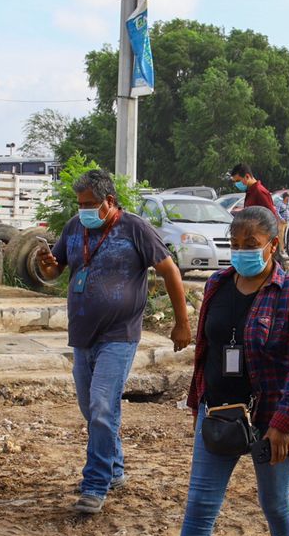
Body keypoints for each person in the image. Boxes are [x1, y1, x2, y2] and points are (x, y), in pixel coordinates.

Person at [136, 206, 289, 536]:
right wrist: (198, 403)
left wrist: (283, 422)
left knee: (274, 503)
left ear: (274, 244)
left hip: (271, 421)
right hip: (217, 416)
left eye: (250, 246)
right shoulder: (217, 284)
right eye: (234, 245)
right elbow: (207, 351)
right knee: (199, 508)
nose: (240, 253)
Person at [35, 169, 192, 514]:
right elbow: (55, 270)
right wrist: (46, 265)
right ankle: (115, 468)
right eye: (80, 205)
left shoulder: (134, 228)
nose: (84, 211)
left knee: (104, 407)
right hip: (82, 335)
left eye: (90, 204)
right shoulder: (75, 228)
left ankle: (95, 484)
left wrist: (182, 322)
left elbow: (170, 271)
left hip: (119, 335)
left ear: (109, 201)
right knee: (92, 411)